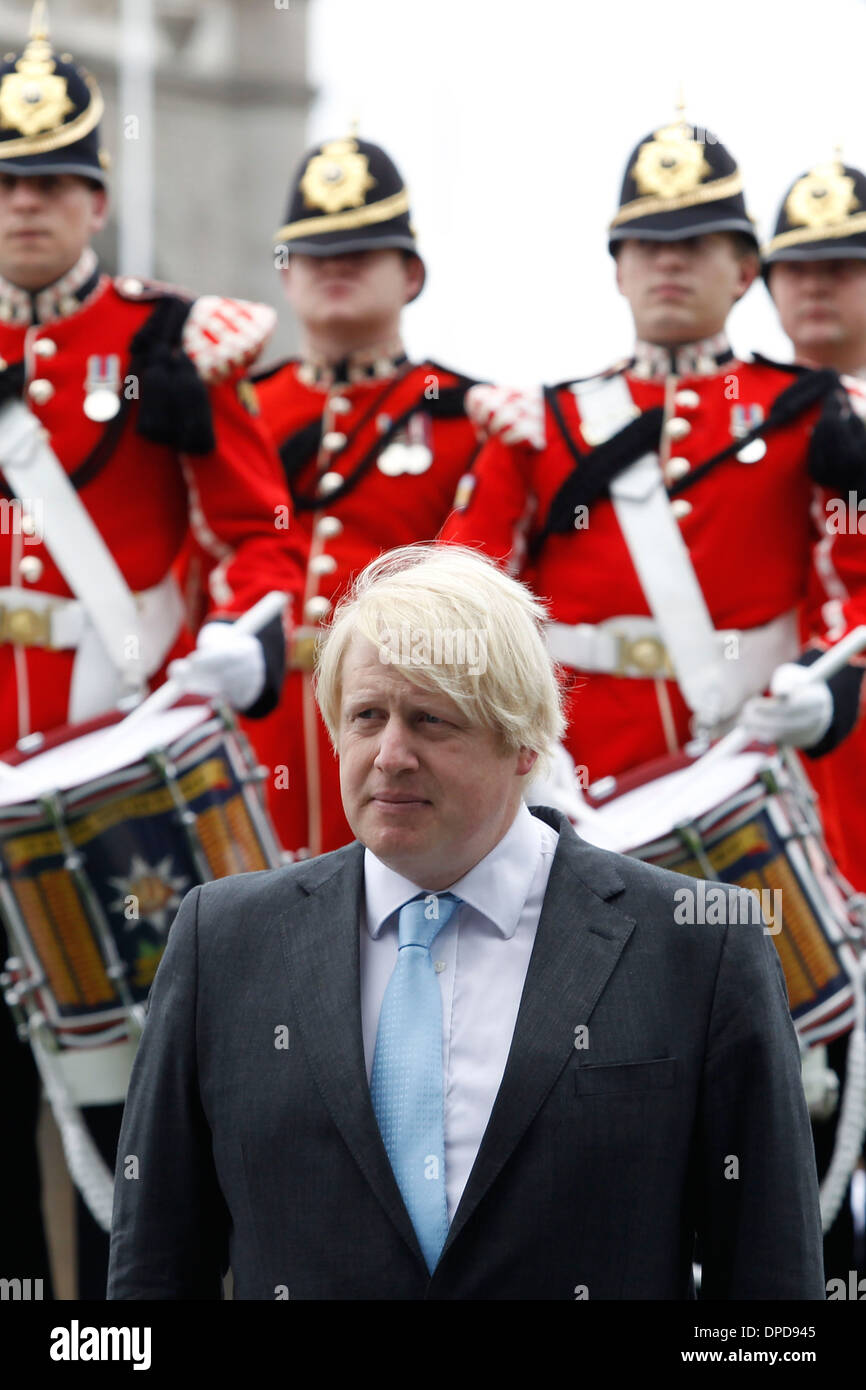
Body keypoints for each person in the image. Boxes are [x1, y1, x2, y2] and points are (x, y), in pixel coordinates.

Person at [107, 542, 824, 1300]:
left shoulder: (697, 946)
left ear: (522, 741)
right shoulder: (221, 941)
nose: (390, 755)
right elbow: (154, 1272)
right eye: (367, 716)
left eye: (430, 721)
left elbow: (771, 1296)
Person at [0, 7, 304, 1298]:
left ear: (95, 197)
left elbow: (264, 536)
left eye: (52, 183)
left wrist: (247, 639)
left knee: (138, 1103)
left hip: (119, 780)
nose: (26, 207)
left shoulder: (167, 342)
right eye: (7, 184)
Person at [441, 114, 866, 850]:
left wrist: (828, 683)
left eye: (695, 245)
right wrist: (516, 749)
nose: (668, 264)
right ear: (618, 270)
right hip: (576, 775)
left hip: (750, 763)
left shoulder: (813, 413)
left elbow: (855, 585)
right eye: (647, 246)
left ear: (742, 272)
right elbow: (459, 595)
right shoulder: (541, 422)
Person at [240, 132, 481, 858]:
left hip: (395, 729)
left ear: (411, 274)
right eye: (315, 252)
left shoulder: (464, 415)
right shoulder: (240, 407)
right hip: (256, 720)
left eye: (363, 250)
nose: (335, 267)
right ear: (286, 274)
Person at [764, 157, 866, 1285]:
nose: (816, 289)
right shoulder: (722, 421)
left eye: (841, 266)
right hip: (746, 796)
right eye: (795, 268)